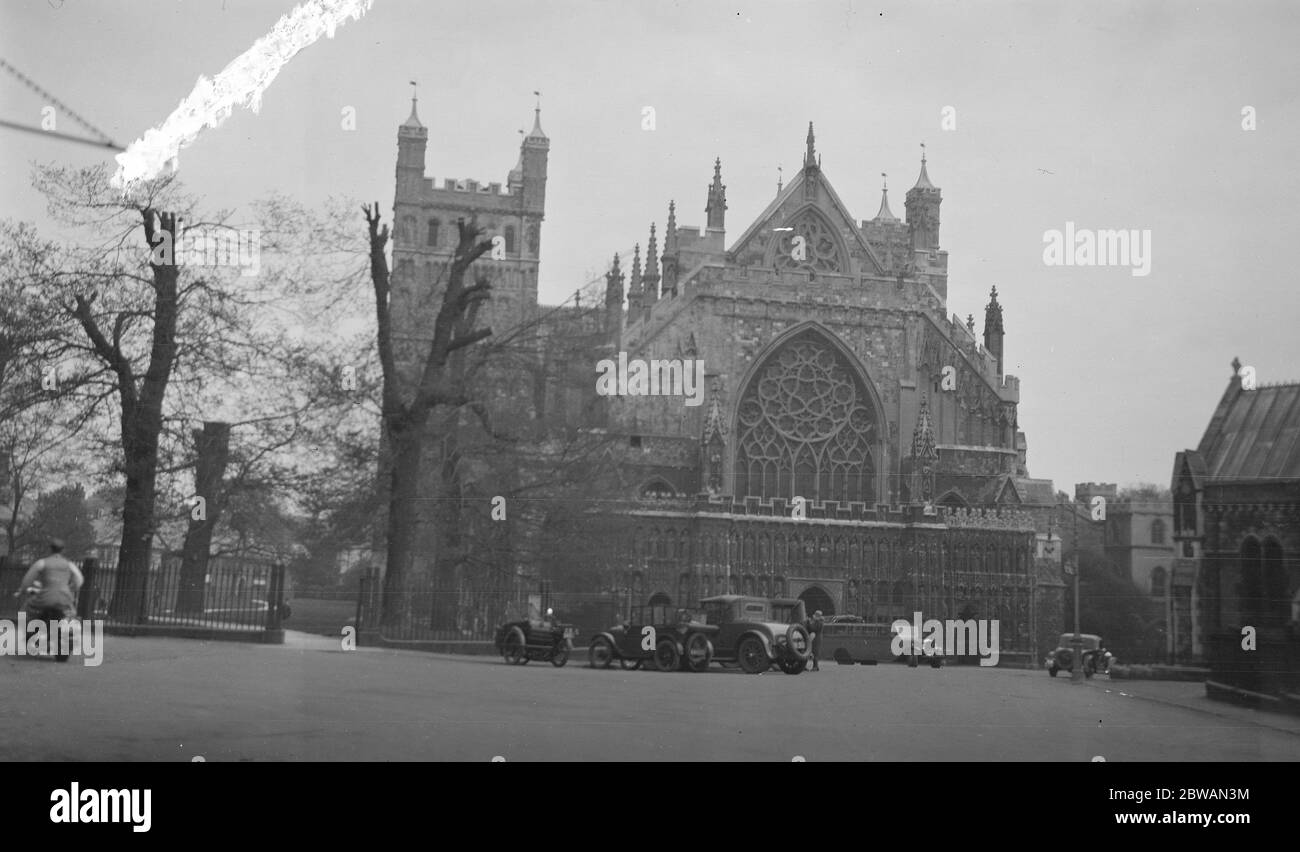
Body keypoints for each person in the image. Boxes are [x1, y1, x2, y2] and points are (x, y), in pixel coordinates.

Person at [14, 539, 83, 662]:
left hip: (45, 598)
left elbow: (27, 581)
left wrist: (22, 590)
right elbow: (79, 580)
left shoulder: (42, 563)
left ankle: (30, 633)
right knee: (71, 613)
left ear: (50, 549)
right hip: (64, 598)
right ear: (63, 550)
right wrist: (70, 589)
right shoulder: (69, 564)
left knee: (26, 609)